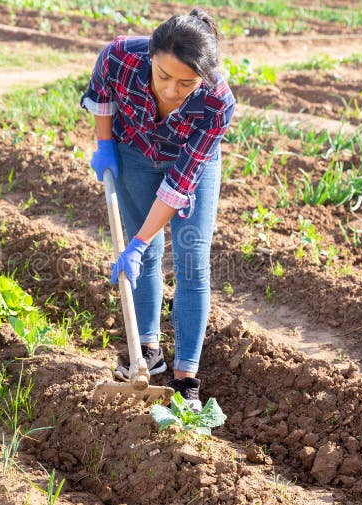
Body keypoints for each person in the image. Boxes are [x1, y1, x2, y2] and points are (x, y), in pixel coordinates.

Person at [80, 8, 235, 408]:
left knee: (192, 260)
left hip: (189, 164)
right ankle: (147, 351)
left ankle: (185, 378)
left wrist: (140, 240)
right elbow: (102, 96)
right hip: (132, 152)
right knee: (144, 252)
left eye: (185, 83)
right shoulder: (120, 56)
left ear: (203, 77)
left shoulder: (217, 102)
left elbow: (180, 184)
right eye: (163, 76)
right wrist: (105, 145)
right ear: (150, 56)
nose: (170, 90)